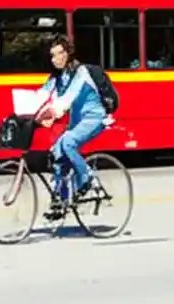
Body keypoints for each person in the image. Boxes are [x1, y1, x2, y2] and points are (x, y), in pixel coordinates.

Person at [35, 35, 107, 216]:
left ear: (68, 53)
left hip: (94, 117)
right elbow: (42, 96)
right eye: (53, 55)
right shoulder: (57, 78)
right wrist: (28, 113)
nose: (56, 59)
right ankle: (61, 200)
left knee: (67, 143)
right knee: (57, 152)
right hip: (77, 121)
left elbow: (67, 99)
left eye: (60, 53)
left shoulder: (81, 72)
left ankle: (87, 178)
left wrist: (52, 113)